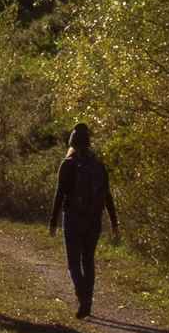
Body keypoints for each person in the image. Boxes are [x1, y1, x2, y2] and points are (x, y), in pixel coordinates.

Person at [50, 122, 118, 318]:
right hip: (94, 219)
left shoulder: (68, 164)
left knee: (73, 263)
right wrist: (114, 222)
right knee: (88, 260)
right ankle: (87, 299)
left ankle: (83, 298)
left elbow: (60, 194)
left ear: (71, 142)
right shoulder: (98, 165)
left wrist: (53, 221)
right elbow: (107, 195)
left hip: (73, 219)